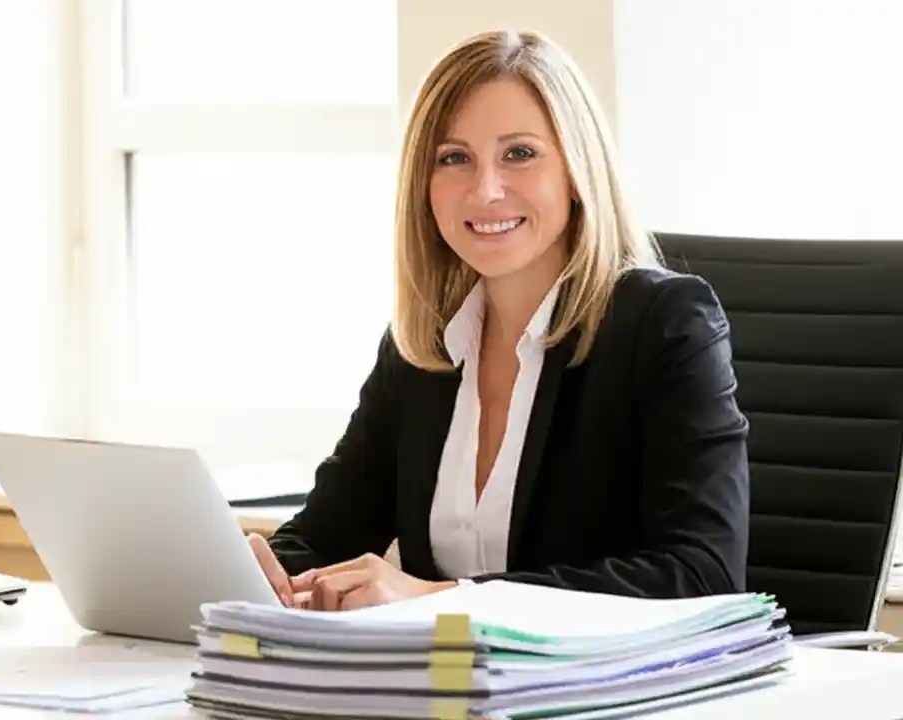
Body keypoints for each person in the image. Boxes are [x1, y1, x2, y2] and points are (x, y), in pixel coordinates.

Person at [247, 28, 749, 612]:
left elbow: (701, 573)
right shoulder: (425, 345)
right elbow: (321, 537)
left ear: (575, 170)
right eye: (454, 158)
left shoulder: (663, 324)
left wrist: (441, 598)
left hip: (608, 695)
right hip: (454, 691)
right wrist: (264, 573)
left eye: (519, 154)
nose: (485, 191)